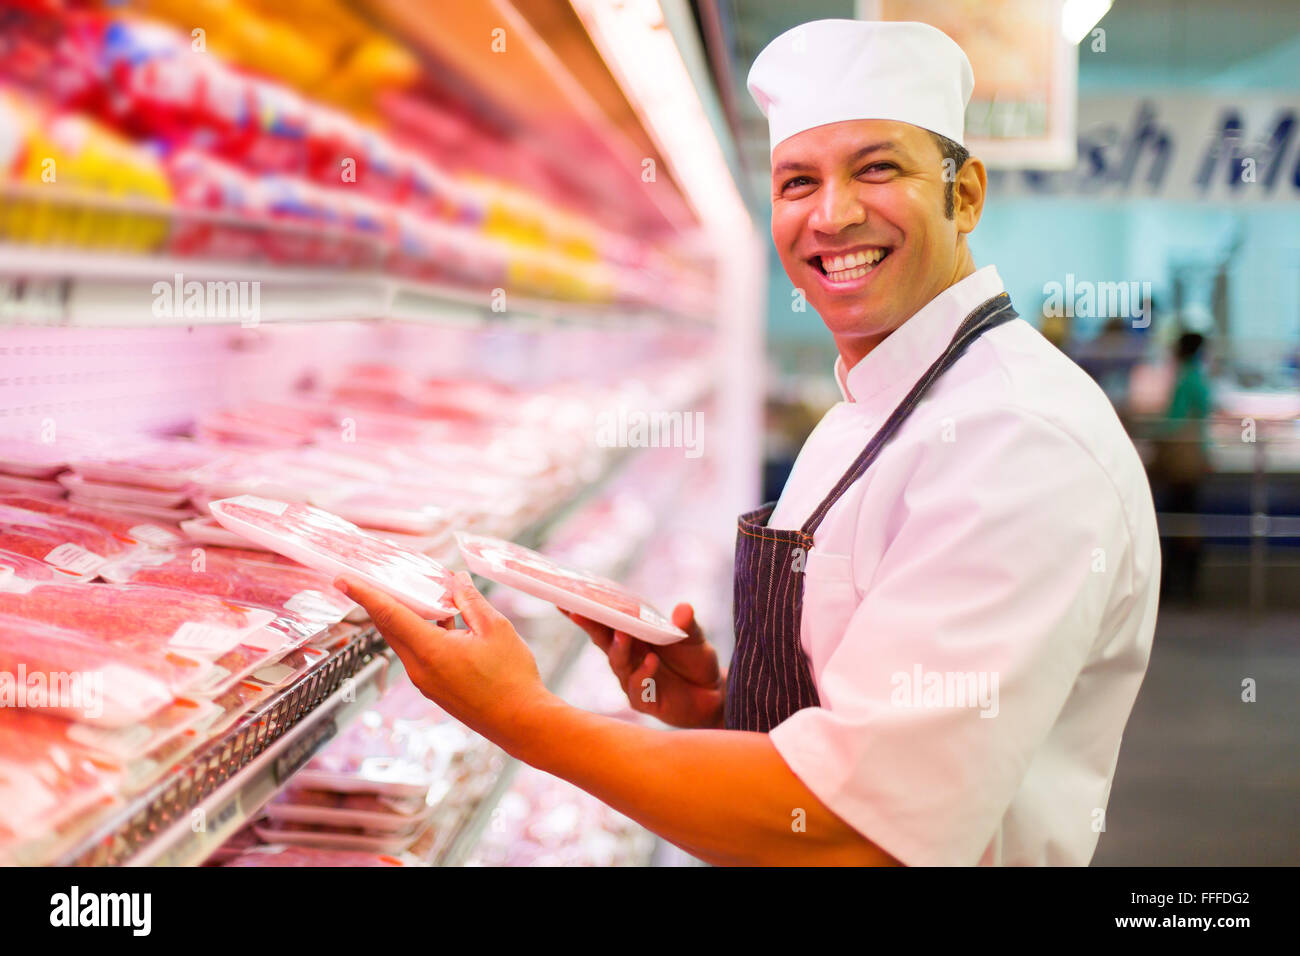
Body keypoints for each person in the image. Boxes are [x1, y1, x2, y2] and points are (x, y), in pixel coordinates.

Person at [338, 19, 1161, 866]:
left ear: (965, 194)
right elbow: (858, 727)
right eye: (797, 181)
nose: (832, 216)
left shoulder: (1017, 444)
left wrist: (525, 719)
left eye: (878, 168)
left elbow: (856, 832)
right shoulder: (877, 404)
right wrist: (717, 712)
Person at [1153, 331, 1213, 600]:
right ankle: (1189, 585)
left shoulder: (1184, 379)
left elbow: (1174, 422)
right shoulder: (1199, 378)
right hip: (1193, 462)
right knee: (1187, 521)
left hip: (1180, 464)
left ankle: (1171, 586)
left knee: (1175, 523)